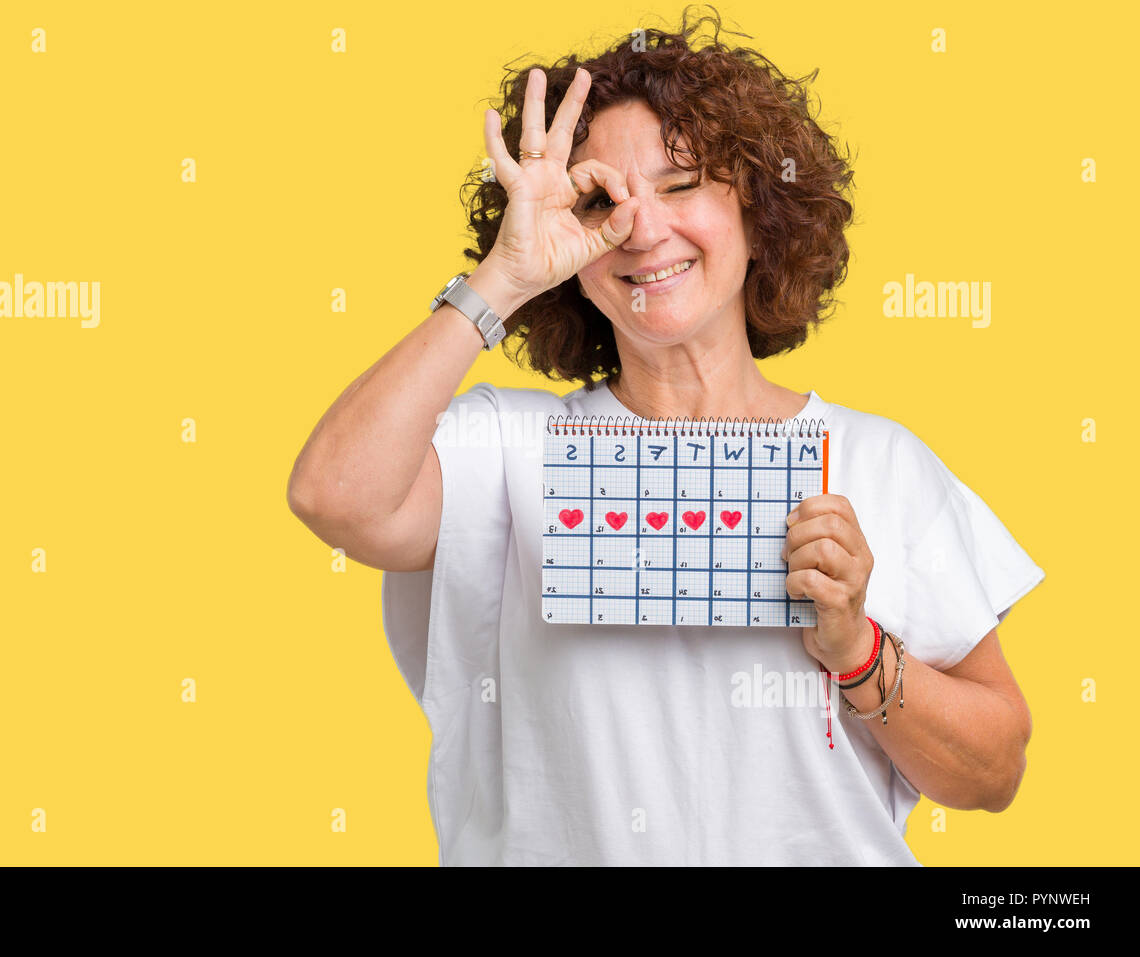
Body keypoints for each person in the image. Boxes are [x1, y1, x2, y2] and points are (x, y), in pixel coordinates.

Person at [287, 7, 1044, 865]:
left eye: (682, 185)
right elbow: (332, 494)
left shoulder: (881, 464)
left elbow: (996, 770)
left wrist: (858, 648)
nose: (643, 229)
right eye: (601, 199)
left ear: (761, 212)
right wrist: (503, 277)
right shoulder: (501, 453)